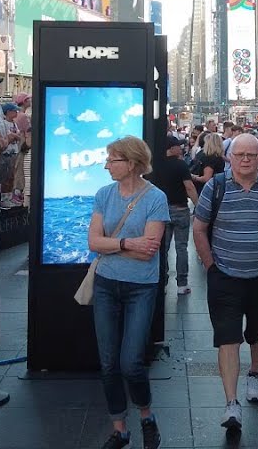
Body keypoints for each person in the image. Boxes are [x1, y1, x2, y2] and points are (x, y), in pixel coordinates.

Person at [192, 133, 258, 431]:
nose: (244, 160)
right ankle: (231, 403)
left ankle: (254, 373)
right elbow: (199, 228)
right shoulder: (215, 187)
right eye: (239, 154)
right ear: (229, 157)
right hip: (224, 276)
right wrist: (210, 265)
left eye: (250, 155)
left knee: (257, 332)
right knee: (227, 338)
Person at [87, 136, 169, 449]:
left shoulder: (155, 197)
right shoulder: (103, 194)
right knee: (108, 362)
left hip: (141, 288)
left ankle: (146, 416)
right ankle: (119, 428)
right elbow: (93, 242)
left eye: (112, 159)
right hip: (106, 284)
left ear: (131, 163)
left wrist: (112, 246)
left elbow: (149, 251)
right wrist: (125, 244)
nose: (106, 165)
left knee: (131, 362)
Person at [148, 135, 198, 296]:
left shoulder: (155, 165)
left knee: (163, 248)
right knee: (181, 247)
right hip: (180, 209)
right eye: (178, 146)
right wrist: (199, 205)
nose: (181, 148)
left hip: (161, 211)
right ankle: (182, 284)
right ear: (171, 148)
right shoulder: (180, 165)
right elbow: (189, 187)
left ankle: (162, 281)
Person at [12, 93, 32, 206]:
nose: (30, 101)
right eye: (28, 99)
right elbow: (28, 132)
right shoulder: (24, 116)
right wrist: (28, 144)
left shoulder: (18, 115)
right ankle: (18, 193)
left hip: (16, 146)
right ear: (24, 101)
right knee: (21, 171)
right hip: (23, 146)